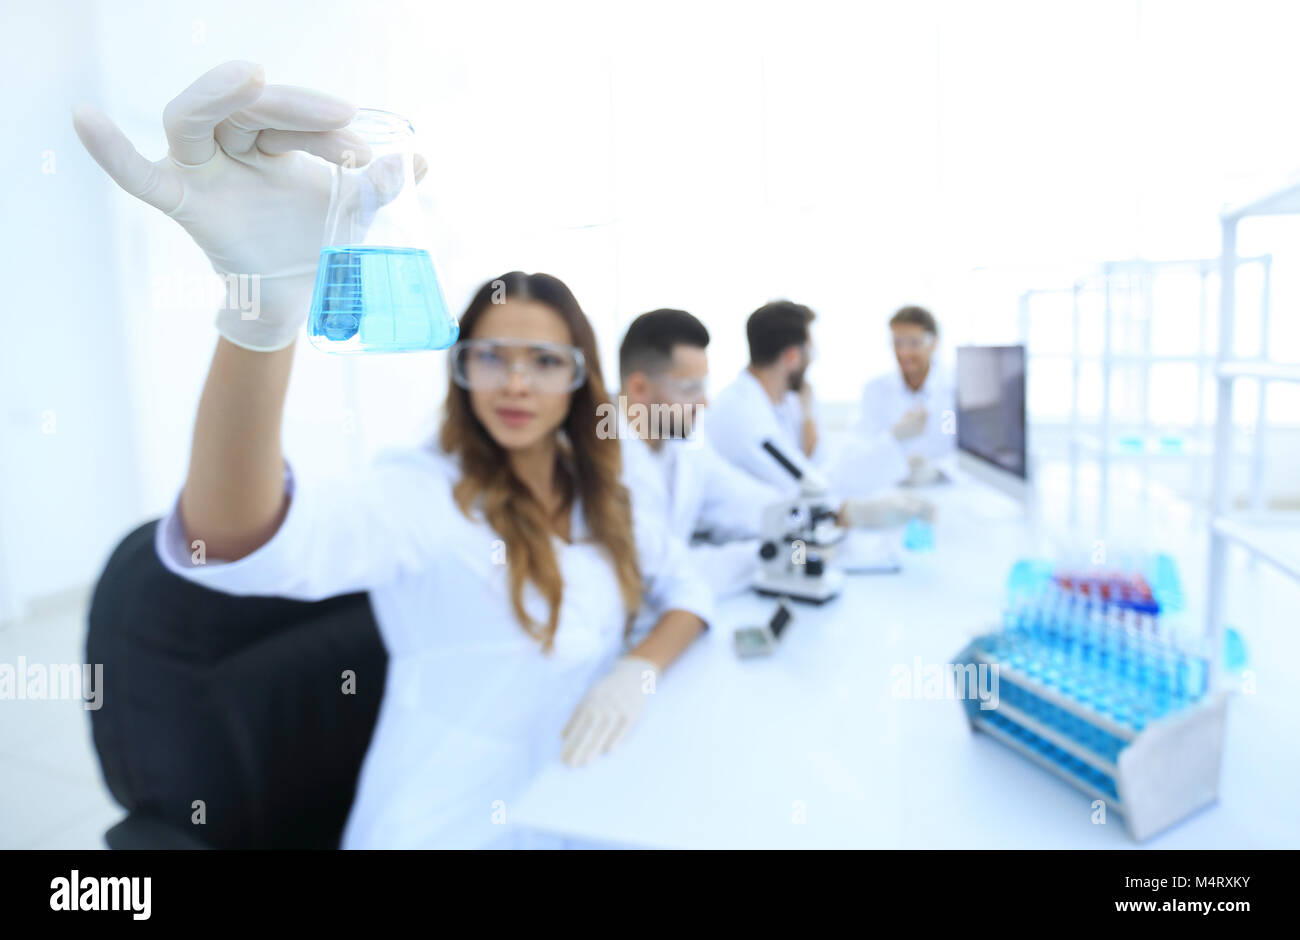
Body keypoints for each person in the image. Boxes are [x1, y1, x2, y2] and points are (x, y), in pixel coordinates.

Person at [73, 61, 712, 849]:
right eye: (490, 356)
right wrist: (260, 318)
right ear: (460, 368)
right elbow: (234, 538)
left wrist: (639, 666)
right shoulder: (426, 497)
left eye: (545, 361)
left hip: (573, 800)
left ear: (580, 381)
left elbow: (685, 588)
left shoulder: (605, 490)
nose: (516, 381)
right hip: (443, 830)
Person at [616, 308, 933, 599]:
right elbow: (660, 573)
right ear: (640, 388)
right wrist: (788, 550)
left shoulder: (683, 450)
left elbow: (751, 501)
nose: (704, 404)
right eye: (690, 390)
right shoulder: (610, 462)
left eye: (704, 387)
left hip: (689, 600)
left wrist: (838, 516)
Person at [704, 300, 823, 491]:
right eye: (811, 350)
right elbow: (806, 487)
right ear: (792, 356)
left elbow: (811, 466)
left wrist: (808, 416)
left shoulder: (783, 403)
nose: (813, 358)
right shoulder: (741, 412)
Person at [853, 305, 956, 485]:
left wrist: (936, 469)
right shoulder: (875, 389)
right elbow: (863, 448)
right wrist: (894, 436)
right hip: (889, 487)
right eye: (897, 343)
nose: (904, 352)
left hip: (943, 486)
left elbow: (961, 452)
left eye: (914, 343)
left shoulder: (954, 389)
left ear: (933, 343)